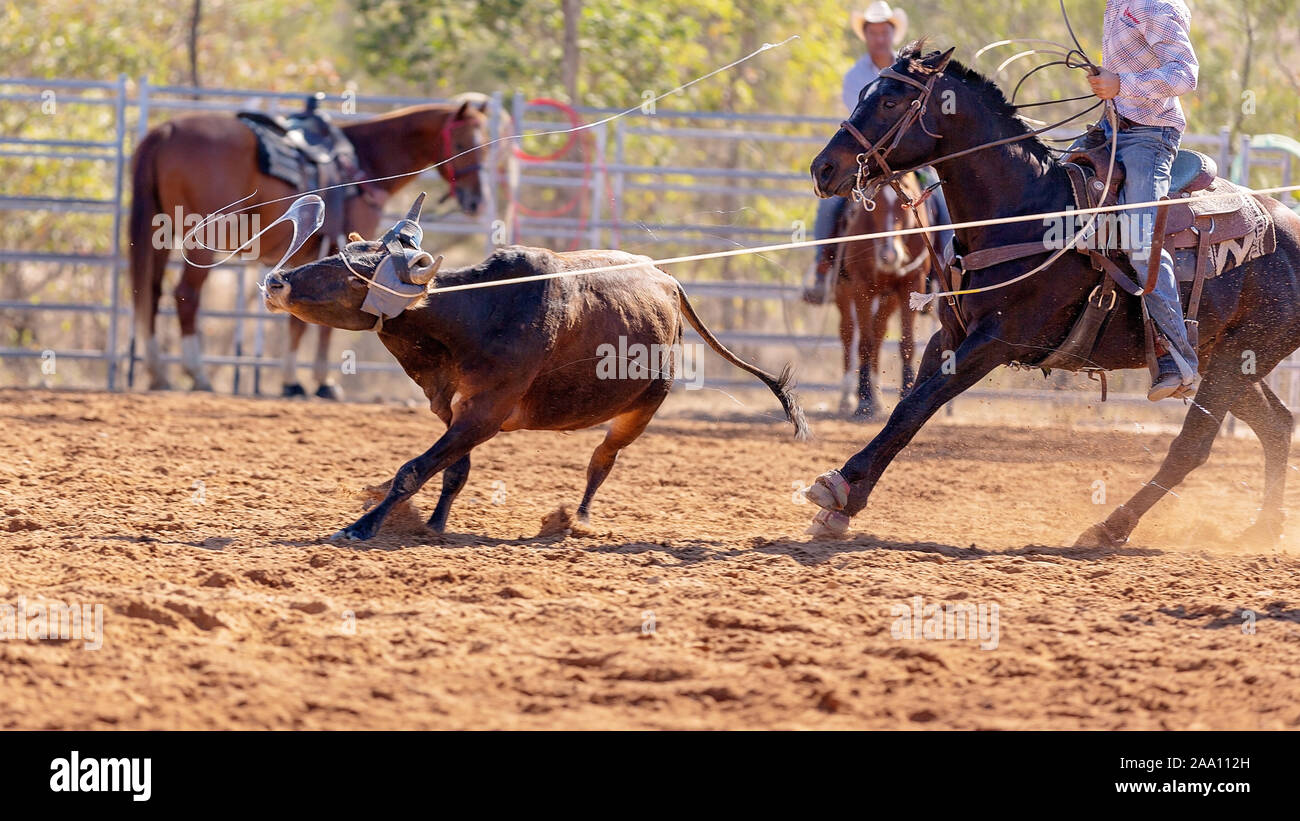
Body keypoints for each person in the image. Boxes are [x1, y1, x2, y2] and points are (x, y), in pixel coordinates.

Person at [1079, 0, 1199, 400]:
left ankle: (1180, 360)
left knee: (1140, 241)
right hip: (1112, 128)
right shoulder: (1117, 4)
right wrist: (1109, 86)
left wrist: (1121, 86)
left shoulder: (1154, 4)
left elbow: (1185, 75)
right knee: (1050, 194)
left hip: (1150, 135)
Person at [804, 2, 954, 304]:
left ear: (892, 34)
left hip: (906, 156)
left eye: (884, 32)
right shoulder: (855, 75)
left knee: (940, 199)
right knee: (830, 206)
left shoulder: (904, 70)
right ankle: (823, 266)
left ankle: (944, 273)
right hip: (866, 159)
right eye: (873, 32)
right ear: (866, 36)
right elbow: (861, 118)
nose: (879, 38)